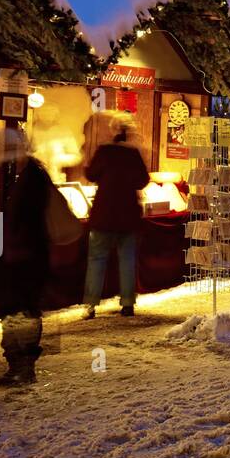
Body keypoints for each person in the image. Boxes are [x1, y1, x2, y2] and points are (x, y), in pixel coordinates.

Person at [0, 127, 52, 386]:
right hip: (23, 256)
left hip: (26, 257)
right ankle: (18, 365)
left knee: (22, 310)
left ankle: (23, 367)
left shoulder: (30, 177)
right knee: (16, 311)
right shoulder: (21, 174)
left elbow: (26, 220)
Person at [82, 120, 149, 318]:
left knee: (96, 260)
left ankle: (91, 305)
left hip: (103, 217)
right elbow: (143, 180)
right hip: (128, 217)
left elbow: (91, 174)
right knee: (127, 260)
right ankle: (127, 304)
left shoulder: (104, 151)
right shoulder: (133, 154)